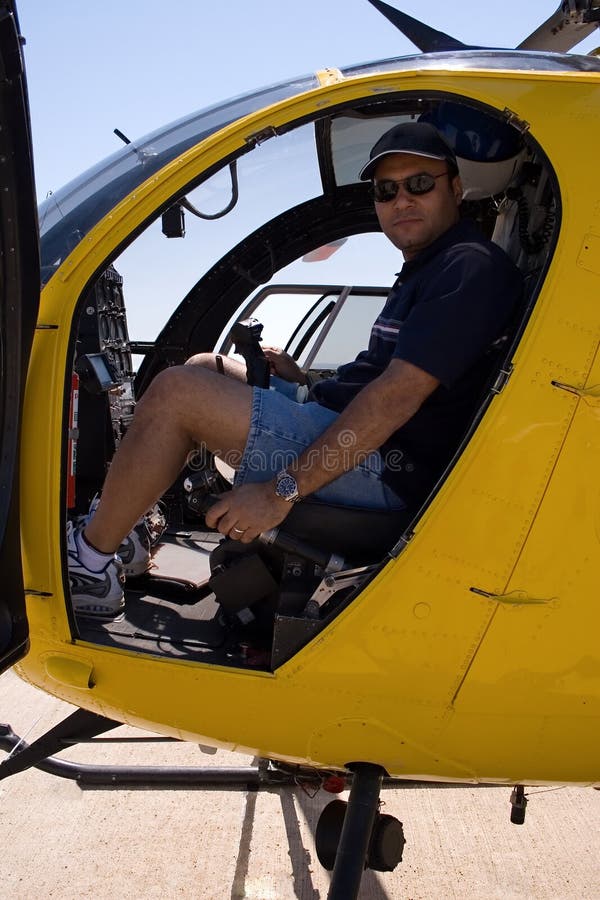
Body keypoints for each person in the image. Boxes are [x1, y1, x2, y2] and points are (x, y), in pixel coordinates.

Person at [67, 121, 523, 619]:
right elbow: (381, 377)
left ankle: (89, 565)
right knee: (203, 367)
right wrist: (304, 382)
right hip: (366, 442)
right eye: (386, 190)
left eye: (419, 183)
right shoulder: (430, 265)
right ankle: (124, 530)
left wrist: (280, 491)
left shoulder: (468, 268)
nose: (401, 200)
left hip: (388, 469)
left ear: (455, 188)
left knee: (178, 393)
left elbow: (395, 398)